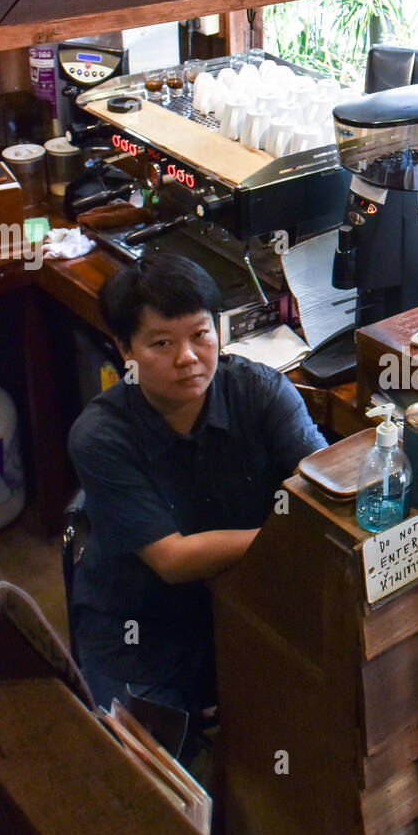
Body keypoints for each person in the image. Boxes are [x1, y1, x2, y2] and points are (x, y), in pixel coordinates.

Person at [68, 255, 327, 731]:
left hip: (244, 607)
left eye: (200, 335)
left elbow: (328, 486)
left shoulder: (261, 391)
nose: (187, 357)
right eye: (162, 343)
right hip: (139, 630)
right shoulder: (100, 436)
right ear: (124, 347)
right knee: (145, 779)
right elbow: (173, 559)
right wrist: (291, 535)